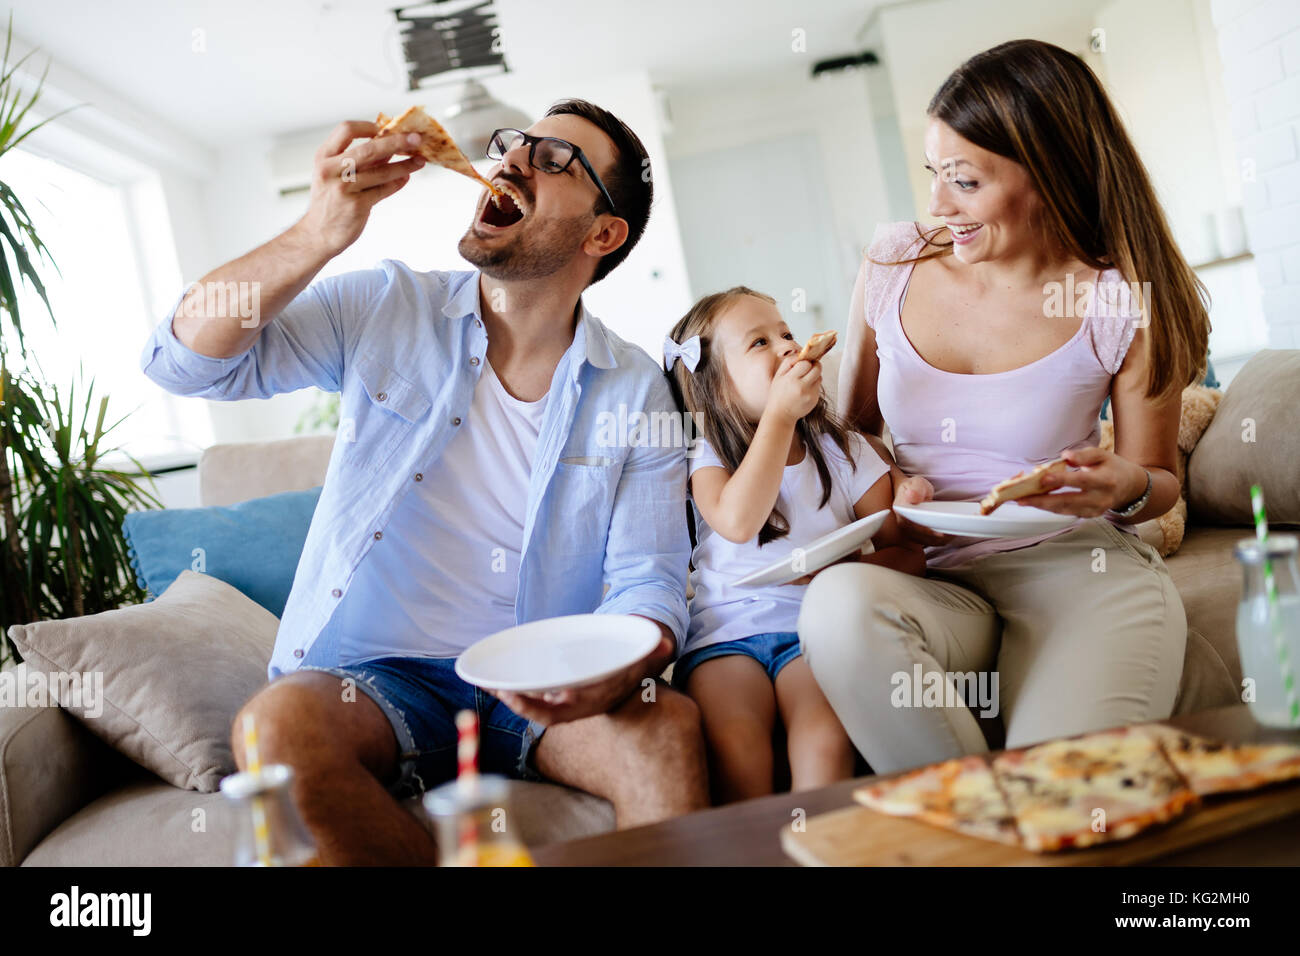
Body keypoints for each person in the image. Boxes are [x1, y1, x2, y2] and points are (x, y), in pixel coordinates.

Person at [140, 99, 708, 864]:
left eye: (553, 161)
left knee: (666, 728)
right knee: (273, 730)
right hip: (371, 681)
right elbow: (183, 361)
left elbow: (649, 575)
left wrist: (621, 668)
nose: (510, 161)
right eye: (515, 146)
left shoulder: (634, 387)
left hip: (542, 675)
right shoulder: (386, 306)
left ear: (602, 235)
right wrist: (318, 233)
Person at [799, 39, 1210, 774]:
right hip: (925, 574)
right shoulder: (894, 262)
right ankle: (969, 824)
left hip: (1070, 570)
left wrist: (1122, 484)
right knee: (836, 606)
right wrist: (877, 487)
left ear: (1049, 172)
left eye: (964, 181)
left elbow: (1156, 481)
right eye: (934, 174)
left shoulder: (1120, 299)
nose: (937, 204)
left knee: (1058, 791)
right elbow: (854, 432)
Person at [662, 287, 925, 802]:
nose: (786, 346)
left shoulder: (844, 449)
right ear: (714, 389)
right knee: (737, 748)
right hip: (725, 637)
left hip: (813, 632)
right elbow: (738, 520)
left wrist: (847, 573)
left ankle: (814, 850)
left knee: (823, 740)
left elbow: (907, 552)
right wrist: (780, 418)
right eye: (759, 342)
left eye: (785, 332)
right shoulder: (708, 455)